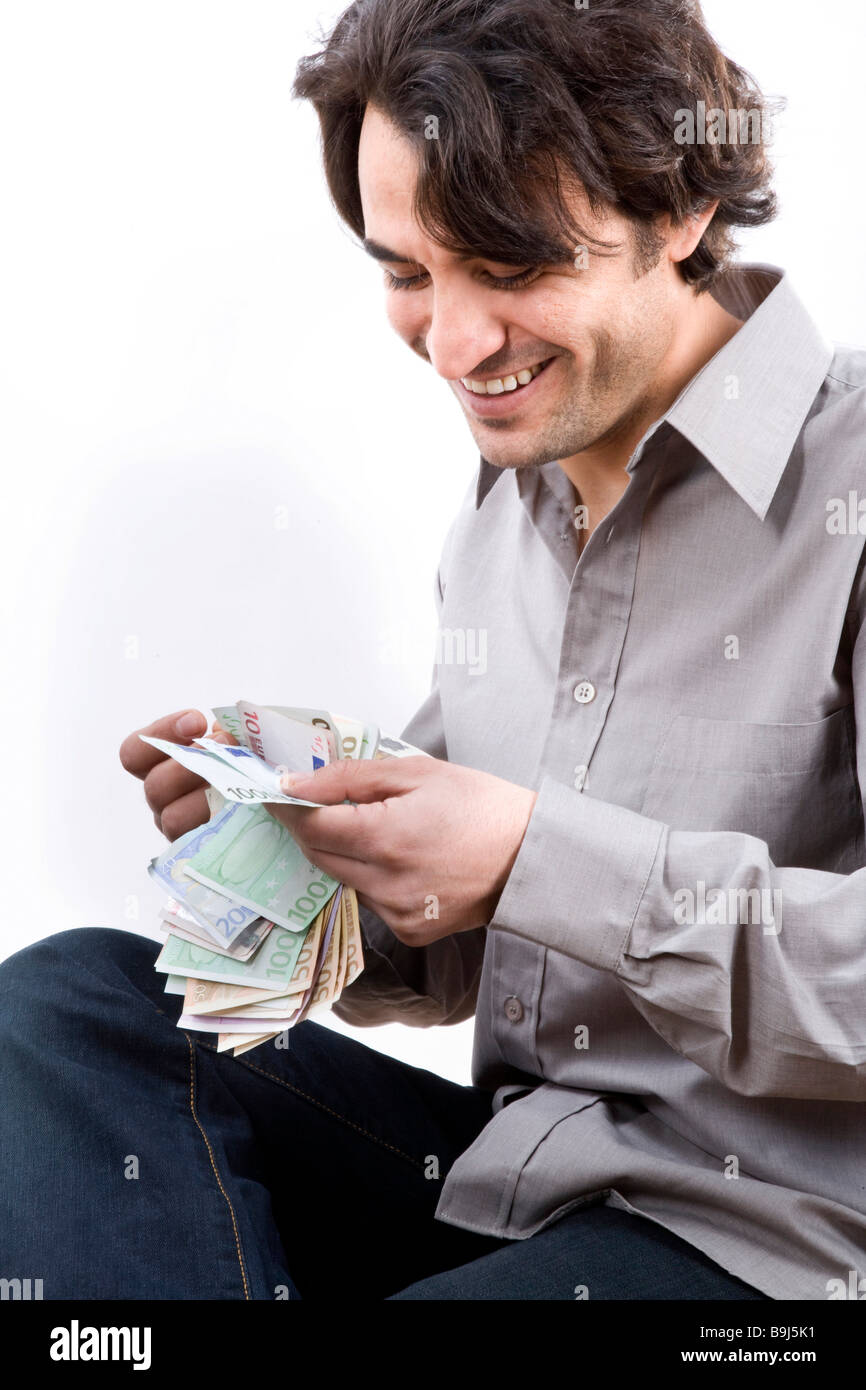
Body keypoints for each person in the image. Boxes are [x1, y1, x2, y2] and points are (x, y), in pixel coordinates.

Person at [2, 0, 864, 1301]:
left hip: (778, 1245)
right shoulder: (509, 506)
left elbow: (530, 862)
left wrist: (528, 851)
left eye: (511, 267)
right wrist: (309, 846)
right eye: (408, 272)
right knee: (68, 1007)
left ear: (678, 209)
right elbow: (462, 935)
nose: (453, 345)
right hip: (518, 1177)